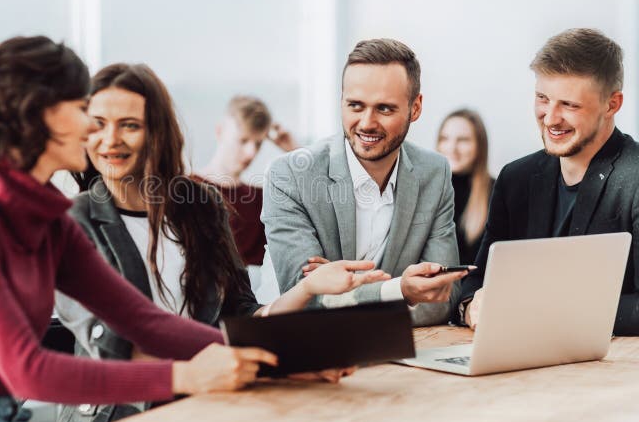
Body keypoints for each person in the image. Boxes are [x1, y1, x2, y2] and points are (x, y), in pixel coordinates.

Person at [0, 36, 283, 422]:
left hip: (2, 419)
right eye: (83, 110)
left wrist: (279, 361)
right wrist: (185, 376)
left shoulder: (48, 222)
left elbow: (145, 322)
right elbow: (28, 371)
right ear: (37, 115)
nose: (92, 129)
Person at [55, 63, 388, 422]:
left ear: (156, 132)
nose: (110, 139)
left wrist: (307, 291)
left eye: (129, 125)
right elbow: (115, 350)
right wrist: (279, 363)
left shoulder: (201, 206)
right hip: (118, 420)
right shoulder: (71, 222)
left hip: (210, 407)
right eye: (98, 124)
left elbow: (240, 317)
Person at [263, 38, 469, 326]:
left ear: (416, 107)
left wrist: (344, 292)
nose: (367, 123)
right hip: (307, 351)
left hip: (398, 355)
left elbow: (441, 297)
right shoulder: (290, 176)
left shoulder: (434, 172)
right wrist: (401, 289)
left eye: (384, 109)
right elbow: (302, 301)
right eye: (355, 106)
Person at [457, 28, 639, 335]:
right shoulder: (515, 178)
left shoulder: (633, 178)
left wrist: (542, 311)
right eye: (543, 98)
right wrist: (471, 304)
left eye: (569, 105)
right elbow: (479, 278)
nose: (550, 118)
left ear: (612, 104)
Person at [196, 95, 298, 267]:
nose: (251, 152)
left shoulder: (261, 199)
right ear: (219, 132)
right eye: (243, 140)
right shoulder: (186, 188)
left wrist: (296, 152)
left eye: (258, 144)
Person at [436, 109, 494, 265]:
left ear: (479, 145)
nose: (452, 148)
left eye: (463, 140)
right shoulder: (426, 190)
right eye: (444, 139)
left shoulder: (497, 192)